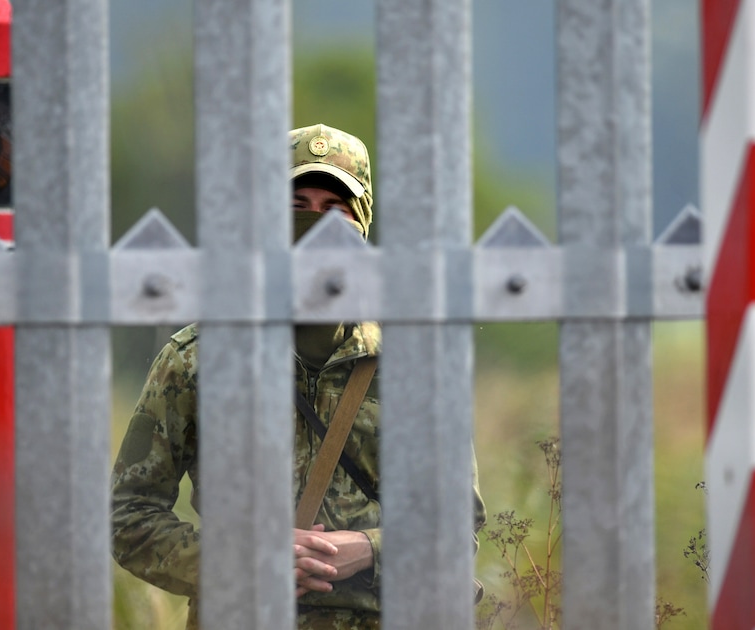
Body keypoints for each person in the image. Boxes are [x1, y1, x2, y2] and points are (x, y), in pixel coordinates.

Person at [111, 123, 486, 630]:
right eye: (297, 207)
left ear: (363, 222)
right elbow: (129, 517)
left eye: (335, 210)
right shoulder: (199, 360)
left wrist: (369, 549)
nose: (315, 225)